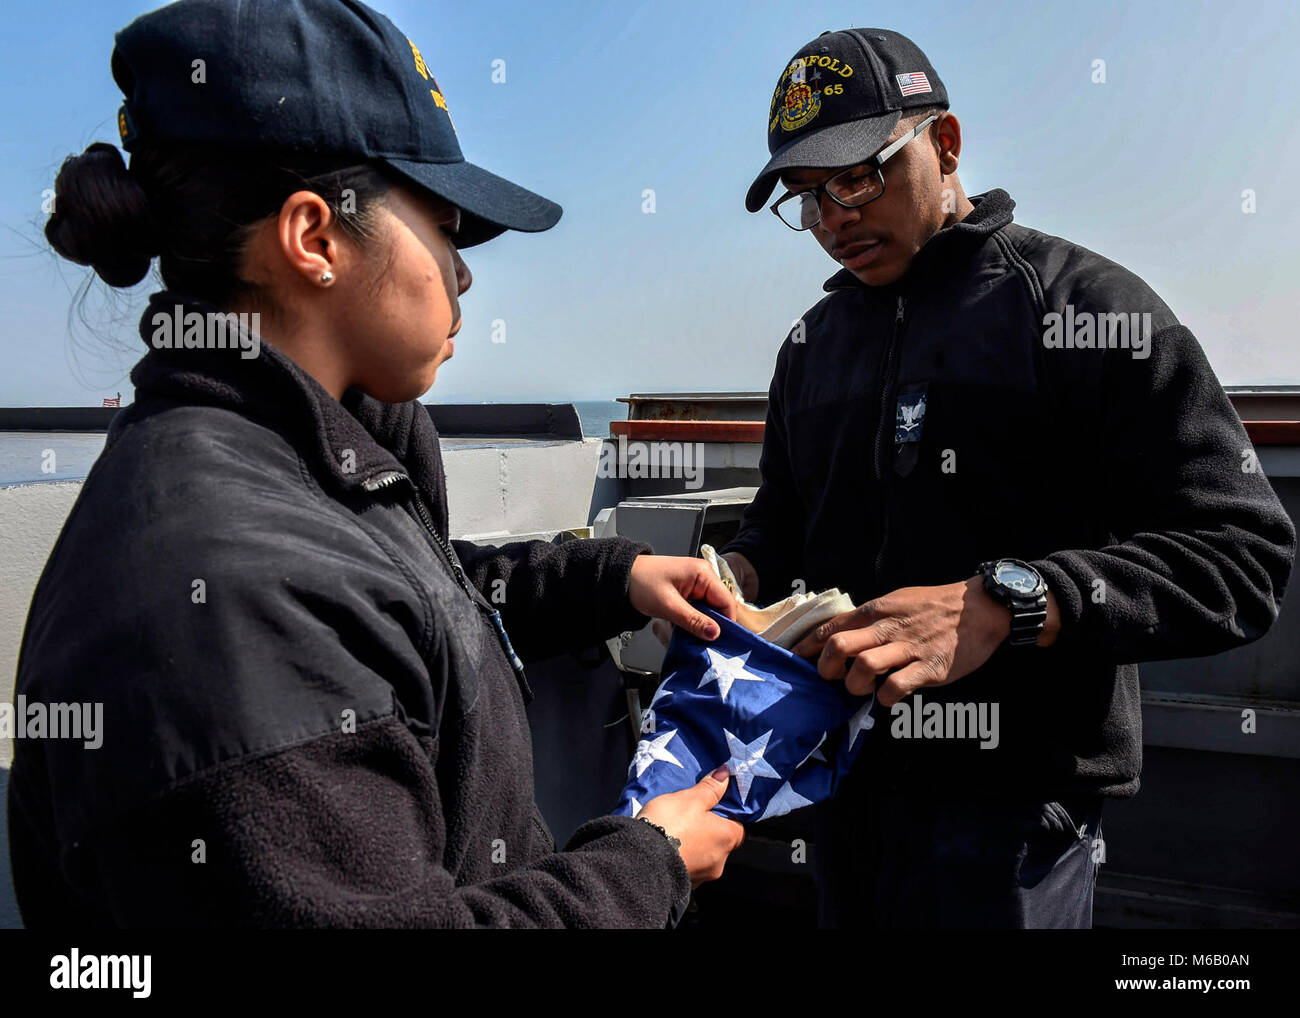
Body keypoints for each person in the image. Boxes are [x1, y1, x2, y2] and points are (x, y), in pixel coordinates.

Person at [8, 0, 744, 928]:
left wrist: (611, 578)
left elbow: (406, 603)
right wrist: (647, 866)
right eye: (444, 226)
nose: (464, 274)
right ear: (315, 238)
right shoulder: (229, 600)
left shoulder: (299, 456)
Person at [721, 27, 1295, 928]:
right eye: (807, 197)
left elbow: (1243, 556)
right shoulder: (811, 347)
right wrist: (740, 577)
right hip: (844, 787)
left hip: (1016, 818)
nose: (833, 220)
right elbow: (784, 520)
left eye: (856, 178)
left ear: (944, 143)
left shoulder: (1090, 313)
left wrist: (1009, 601)